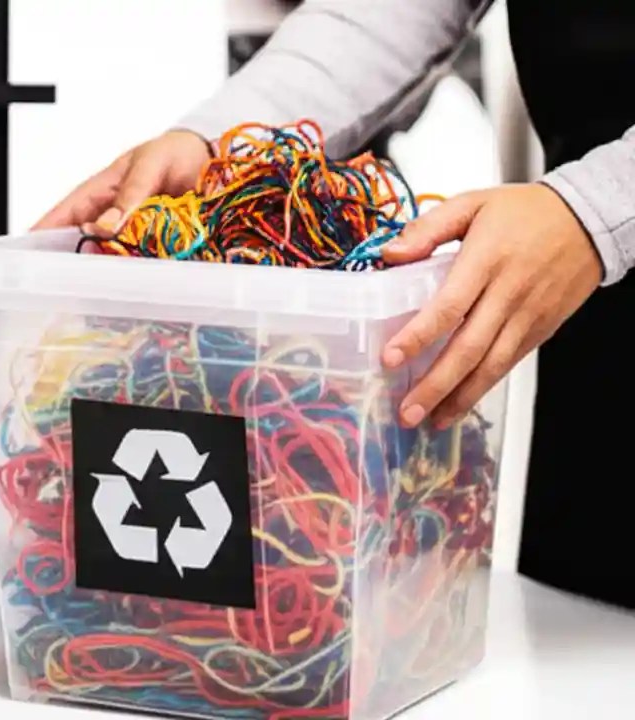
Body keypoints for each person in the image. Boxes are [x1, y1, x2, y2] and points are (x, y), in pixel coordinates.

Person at [34, 0, 635, 608]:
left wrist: (599, 207)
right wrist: (223, 139)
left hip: (586, 244)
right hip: (593, 359)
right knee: (580, 618)